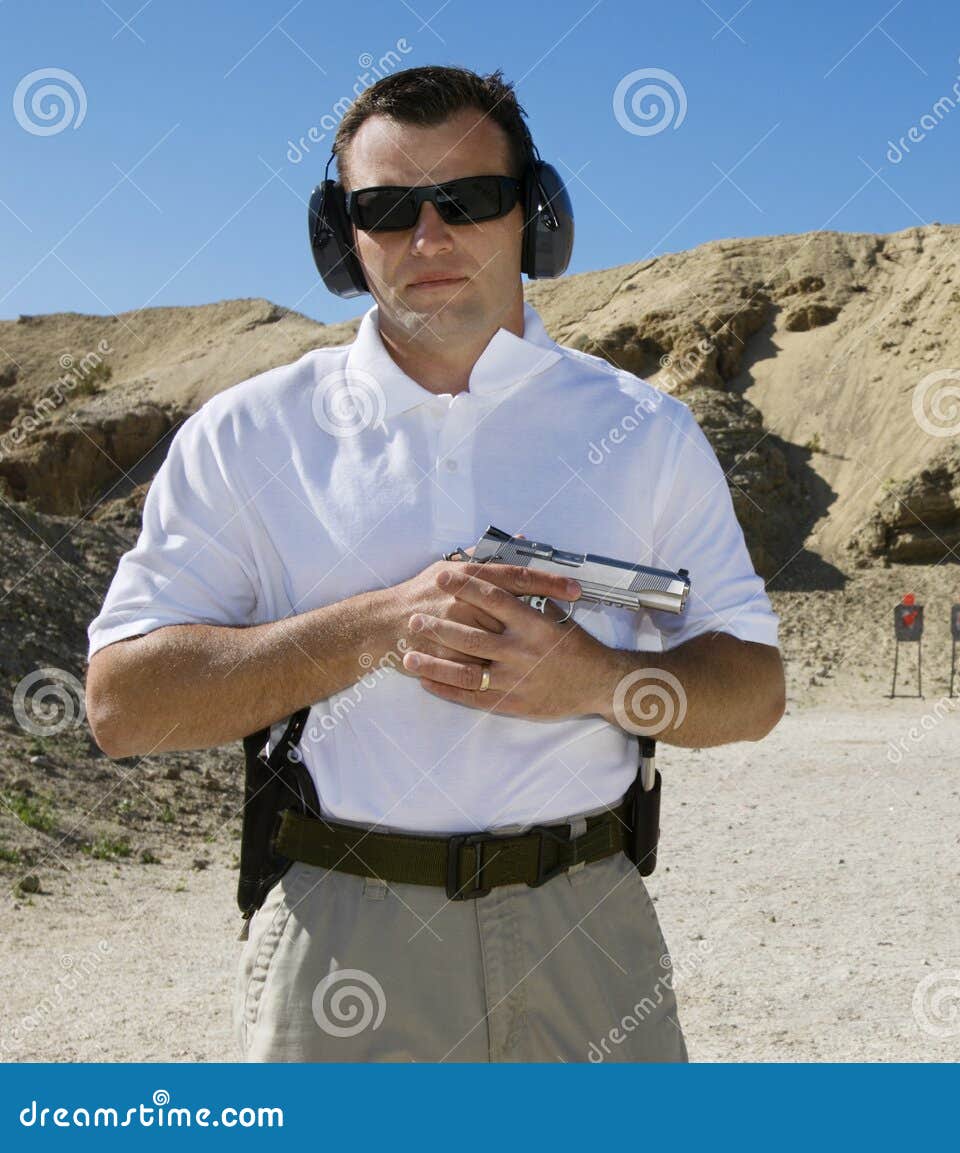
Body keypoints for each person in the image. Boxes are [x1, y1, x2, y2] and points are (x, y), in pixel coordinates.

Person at [82, 65, 785, 1062]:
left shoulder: (644, 430)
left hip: (590, 932)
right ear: (342, 236)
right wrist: (374, 629)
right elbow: (122, 705)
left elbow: (751, 692)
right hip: (343, 941)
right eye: (386, 208)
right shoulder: (245, 434)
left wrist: (595, 681)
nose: (429, 236)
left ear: (535, 217)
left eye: (469, 199)